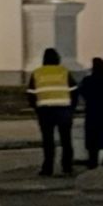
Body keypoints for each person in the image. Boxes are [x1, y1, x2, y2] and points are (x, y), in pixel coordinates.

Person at [28, 47, 78, 176]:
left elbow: (31, 94)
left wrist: (36, 108)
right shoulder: (64, 71)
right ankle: (67, 166)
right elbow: (74, 91)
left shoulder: (37, 73)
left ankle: (48, 168)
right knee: (66, 140)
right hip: (63, 110)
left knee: (48, 141)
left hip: (45, 110)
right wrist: (72, 108)